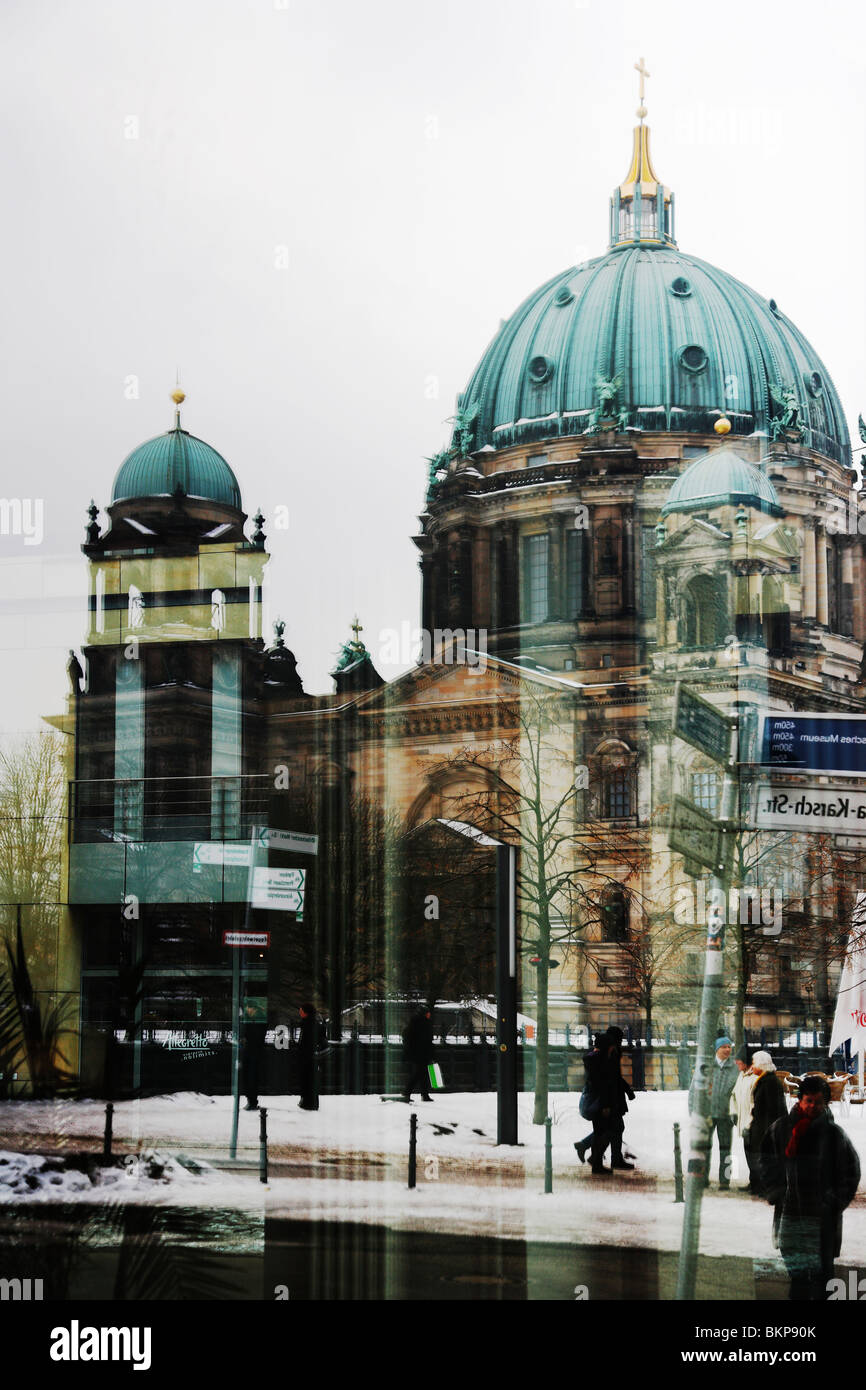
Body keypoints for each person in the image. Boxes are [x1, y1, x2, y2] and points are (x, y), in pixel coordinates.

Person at [760, 1075, 860, 1301]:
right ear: (799, 1100)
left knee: (823, 1279)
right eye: (808, 1101)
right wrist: (776, 1191)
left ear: (826, 1103)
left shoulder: (834, 1135)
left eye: (818, 1101)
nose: (813, 1106)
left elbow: (850, 1172)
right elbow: (766, 1162)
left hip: (822, 1220)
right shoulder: (781, 1129)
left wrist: (832, 1202)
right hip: (791, 1216)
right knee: (797, 1278)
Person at [574, 1027, 635, 1174]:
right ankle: (598, 1160)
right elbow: (606, 1082)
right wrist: (608, 1104)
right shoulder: (603, 1060)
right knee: (609, 1130)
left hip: (608, 1099)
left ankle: (599, 1158)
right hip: (606, 1101)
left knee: (609, 1129)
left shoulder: (599, 1058)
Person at [689, 1035, 737, 1188]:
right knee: (704, 1148)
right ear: (717, 1049)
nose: (727, 1050)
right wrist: (693, 1112)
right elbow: (693, 1091)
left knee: (727, 1149)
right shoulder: (706, 1067)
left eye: (729, 1047)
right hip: (707, 1115)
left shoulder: (735, 1068)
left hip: (726, 1115)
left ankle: (726, 1181)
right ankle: (702, 1179)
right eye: (724, 1047)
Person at [742, 1051, 787, 1196]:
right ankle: (761, 1186)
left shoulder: (770, 1082)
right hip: (761, 1127)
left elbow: (773, 1109)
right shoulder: (764, 1080)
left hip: (765, 1128)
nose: (752, 1066)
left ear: (761, 1065)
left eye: (754, 1063)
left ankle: (766, 1188)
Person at [730, 1045, 756, 1187]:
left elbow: (754, 1103)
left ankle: (757, 1183)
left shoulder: (754, 1077)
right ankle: (753, 1181)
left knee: (755, 1155)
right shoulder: (741, 1075)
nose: (736, 1063)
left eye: (739, 1061)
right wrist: (733, 1112)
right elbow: (734, 1095)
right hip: (742, 1121)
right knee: (748, 1154)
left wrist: (749, 1124)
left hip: (751, 1123)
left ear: (745, 1062)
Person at [402, 1007, 435, 1102]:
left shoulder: (415, 1023)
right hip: (421, 1053)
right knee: (419, 1073)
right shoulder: (422, 1024)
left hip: (419, 1053)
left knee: (422, 1074)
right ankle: (408, 1092)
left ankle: (423, 1095)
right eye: (428, 1013)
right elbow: (426, 1040)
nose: (429, 1014)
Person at [240, 1001, 268, 1112]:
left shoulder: (257, 1021)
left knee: (251, 1077)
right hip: (251, 1052)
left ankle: (252, 1101)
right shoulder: (251, 1020)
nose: (247, 1010)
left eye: (249, 1008)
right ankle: (251, 1100)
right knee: (249, 1077)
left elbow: (255, 1037)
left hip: (253, 1052)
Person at [297, 1002, 320, 1111]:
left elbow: (307, 1042)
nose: (299, 1012)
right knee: (307, 1080)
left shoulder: (309, 1024)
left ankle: (309, 1102)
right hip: (308, 1057)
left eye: (301, 1011)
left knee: (308, 1080)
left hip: (308, 1057)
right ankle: (307, 1101)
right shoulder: (308, 1023)